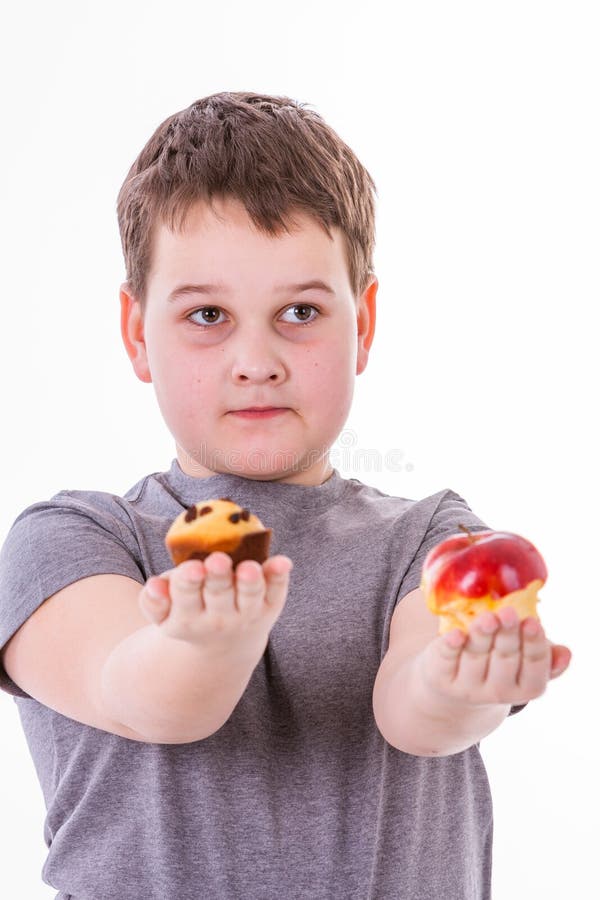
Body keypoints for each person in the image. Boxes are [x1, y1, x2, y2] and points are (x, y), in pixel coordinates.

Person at [0, 91, 570, 900]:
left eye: (300, 312)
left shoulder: (431, 539)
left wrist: (458, 679)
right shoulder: (74, 540)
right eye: (207, 315)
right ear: (136, 333)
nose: (256, 361)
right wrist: (206, 644)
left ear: (362, 324)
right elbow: (140, 694)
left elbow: (416, 711)